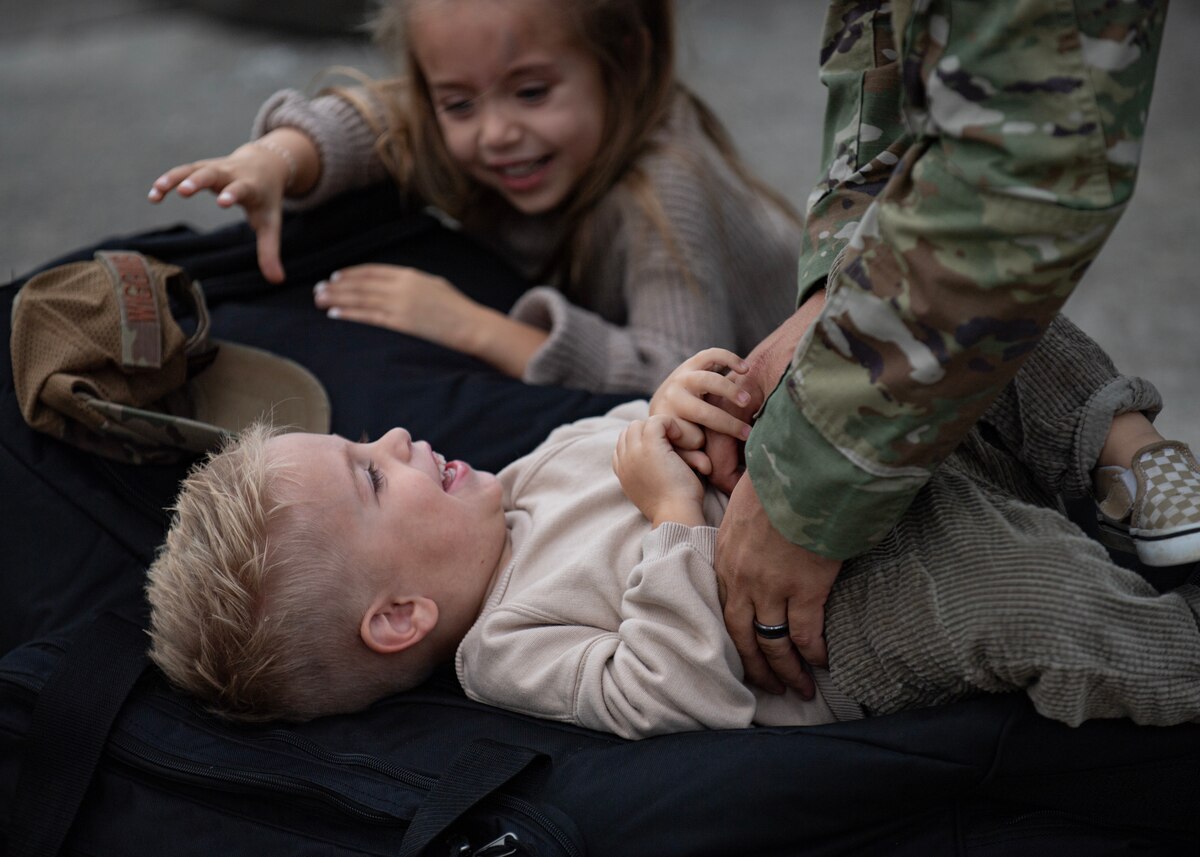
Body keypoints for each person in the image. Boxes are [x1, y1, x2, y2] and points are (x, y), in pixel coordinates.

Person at [145, 316, 1200, 737]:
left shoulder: (525, 471)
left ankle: (1136, 469)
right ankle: (1176, 653)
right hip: (851, 614)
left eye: (364, 439)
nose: (397, 438)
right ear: (400, 615)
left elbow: (655, 427)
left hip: (834, 472)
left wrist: (687, 400)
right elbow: (671, 690)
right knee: (1034, 595)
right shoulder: (507, 646)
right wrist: (668, 513)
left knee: (968, 318)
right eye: (373, 477)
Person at [704, 0, 1182, 700]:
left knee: (967, 294)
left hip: (806, 497)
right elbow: (897, 42)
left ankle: (1131, 452)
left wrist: (793, 481)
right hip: (842, 582)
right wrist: (838, 293)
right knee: (1044, 604)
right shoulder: (523, 630)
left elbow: (1020, 154)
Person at [145, 0, 799, 394]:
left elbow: (683, 376)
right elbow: (383, 121)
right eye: (458, 103)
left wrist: (477, 328)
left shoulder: (665, 190)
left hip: (779, 397)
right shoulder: (488, 129)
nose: (495, 133)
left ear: (622, 57)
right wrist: (274, 160)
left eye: (531, 92)